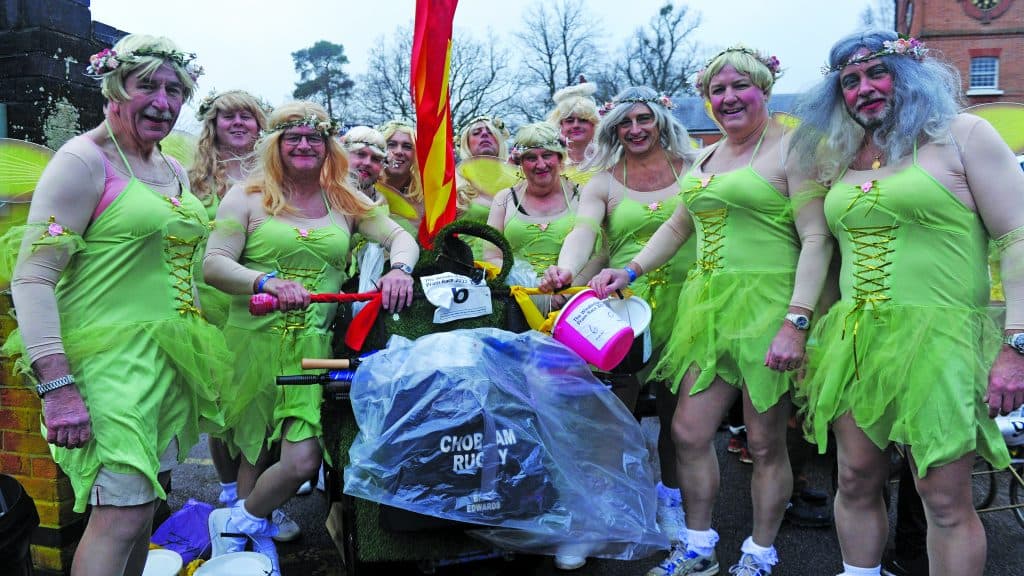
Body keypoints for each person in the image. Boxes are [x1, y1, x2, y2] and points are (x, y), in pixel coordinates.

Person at [584, 47, 832, 576]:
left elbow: (816, 238)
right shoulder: (708, 156)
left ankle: (760, 553)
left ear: (764, 89)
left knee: (764, 441)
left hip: (769, 307)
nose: (728, 98)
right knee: (688, 433)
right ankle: (699, 547)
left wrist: (797, 320)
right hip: (708, 307)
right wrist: (627, 274)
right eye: (717, 90)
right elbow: (678, 226)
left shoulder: (795, 148)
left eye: (740, 86)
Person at [790, 29, 1024, 576]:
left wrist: (1017, 345)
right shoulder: (842, 157)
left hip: (940, 344)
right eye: (850, 81)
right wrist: (809, 335)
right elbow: (823, 251)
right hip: (855, 342)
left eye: (878, 73)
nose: (865, 88)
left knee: (942, 499)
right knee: (854, 480)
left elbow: (1017, 236)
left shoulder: (963, 133)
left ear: (911, 74)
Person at [3, 34, 226, 576]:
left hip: (169, 362)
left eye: (175, 89)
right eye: (146, 84)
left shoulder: (171, 170)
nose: (163, 101)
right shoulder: (82, 161)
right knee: (120, 516)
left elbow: (174, 263)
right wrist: (57, 387)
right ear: (113, 87)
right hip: (108, 367)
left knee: (142, 511)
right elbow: (32, 277)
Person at [203, 101, 419, 573]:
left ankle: (238, 523)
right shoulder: (245, 195)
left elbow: (401, 238)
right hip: (253, 341)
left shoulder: (343, 198)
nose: (304, 146)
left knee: (301, 460)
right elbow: (214, 263)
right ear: (275, 145)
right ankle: (244, 552)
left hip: (314, 347)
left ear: (328, 147)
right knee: (254, 451)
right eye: (292, 137)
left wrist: (399, 269)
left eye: (313, 138)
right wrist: (266, 283)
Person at [538, 85, 697, 550]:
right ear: (612, 129)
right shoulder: (603, 180)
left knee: (680, 420)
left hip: (693, 304)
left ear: (661, 121)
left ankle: (670, 503)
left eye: (643, 119)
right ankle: (596, 515)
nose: (634, 130)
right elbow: (584, 230)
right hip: (625, 310)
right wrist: (567, 268)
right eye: (625, 123)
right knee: (608, 415)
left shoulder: (695, 168)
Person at [186, 89, 307, 539]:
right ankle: (228, 489)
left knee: (263, 400)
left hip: (262, 291)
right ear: (213, 125)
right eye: (227, 117)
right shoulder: (192, 174)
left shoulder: (274, 171)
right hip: (208, 292)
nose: (238, 124)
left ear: (261, 126)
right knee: (225, 406)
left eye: (248, 117)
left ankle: (258, 500)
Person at [547, 80, 601, 185]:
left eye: (583, 120)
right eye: (569, 120)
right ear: (560, 125)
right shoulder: (551, 162)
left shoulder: (609, 158)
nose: (576, 125)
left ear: (594, 124)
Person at [378, 119, 424, 235]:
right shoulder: (366, 188)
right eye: (391, 145)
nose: (399, 152)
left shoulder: (425, 194)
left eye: (407, 146)